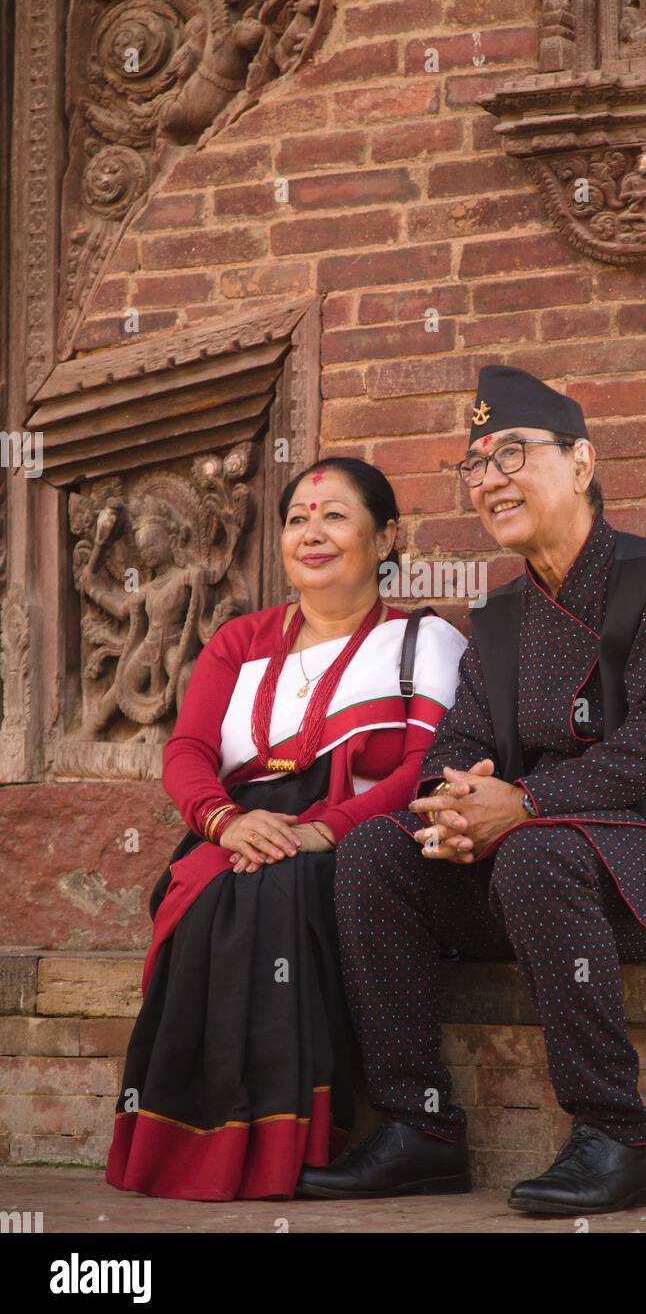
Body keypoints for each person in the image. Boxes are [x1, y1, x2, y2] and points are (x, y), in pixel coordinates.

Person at [295, 365, 646, 1215]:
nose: (491, 480)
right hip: (533, 868)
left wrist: (527, 804)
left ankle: (616, 1137)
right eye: (475, 466)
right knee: (374, 852)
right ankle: (418, 1128)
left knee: (538, 853)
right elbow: (461, 744)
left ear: (581, 464)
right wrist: (455, 803)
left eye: (513, 453)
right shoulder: (503, 615)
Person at [105, 457, 467, 1201]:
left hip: (360, 840)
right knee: (213, 892)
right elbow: (188, 751)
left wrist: (324, 830)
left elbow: (424, 769)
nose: (312, 533)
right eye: (298, 519)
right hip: (239, 828)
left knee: (279, 885)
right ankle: (191, 1144)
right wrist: (224, 821)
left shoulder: (424, 642)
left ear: (386, 535)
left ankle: (281, 1146)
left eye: (335, 516)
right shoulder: (240, 640)